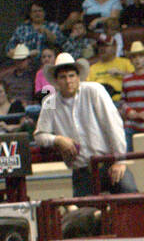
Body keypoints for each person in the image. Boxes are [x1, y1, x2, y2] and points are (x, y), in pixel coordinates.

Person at [34, 52, 136, 196]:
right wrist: (57, 139)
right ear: (56, 81)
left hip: (108, 162)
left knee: (131, 196)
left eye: (71, 76)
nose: (68, 81)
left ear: (78, 77)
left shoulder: (94, 91)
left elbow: (113, 124)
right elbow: (39, 135)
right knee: (84, 214)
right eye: (63, 77)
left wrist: (119, 160)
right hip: (82, 169)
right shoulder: (50, 103)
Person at [86, 30, 132, 100]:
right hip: (99, 102)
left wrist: (120, 73)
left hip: (120, 102)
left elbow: (136, 79)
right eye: (100, 46)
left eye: (106, 46)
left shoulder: (125, 63)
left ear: (114, 48)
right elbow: (87, 89)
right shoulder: (92, 68)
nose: (102, 48)